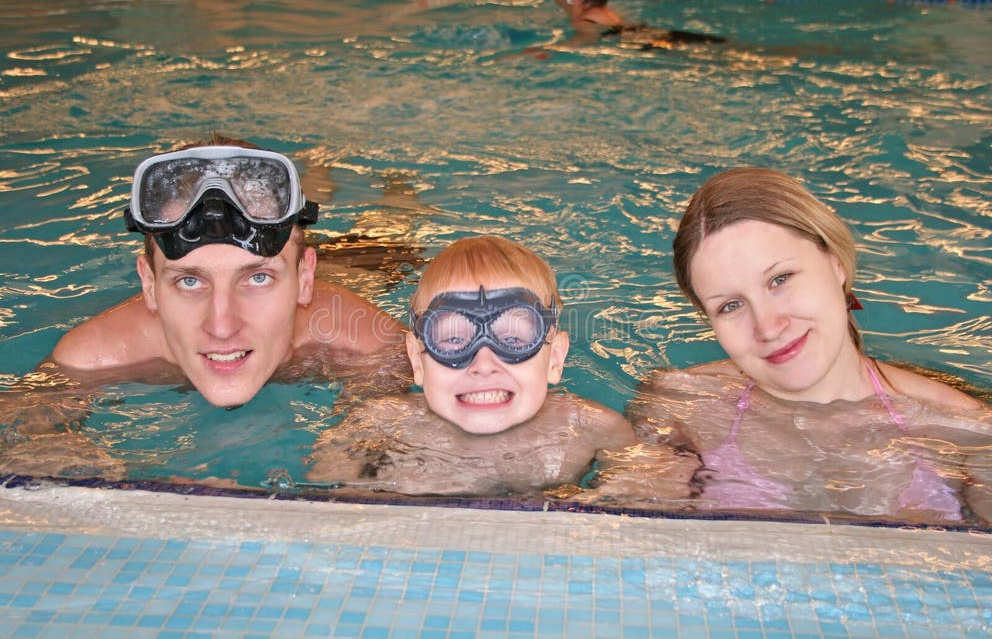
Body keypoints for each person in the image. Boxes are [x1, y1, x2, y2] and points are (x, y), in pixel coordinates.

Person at [1, 137, 411, 479]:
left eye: (257, 278)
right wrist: (48, 450)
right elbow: (21, 426)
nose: (222, 326)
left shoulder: (360, 337)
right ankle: (318, 172)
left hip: (354, 278)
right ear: (150, 286)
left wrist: (364, 439)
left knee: (392, 237)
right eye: (190, 280)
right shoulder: (92, 356)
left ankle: (397, 188)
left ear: (305, 280)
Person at [627, 167, 991, 524]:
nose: (768, 327)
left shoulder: (963, 432)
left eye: (780, 279)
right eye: (730, 306)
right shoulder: (683, 406)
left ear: (836, 263)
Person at [306, 235, 693, 499]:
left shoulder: (590, 428)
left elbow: (654, 497)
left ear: (554, 359)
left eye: (513, 339)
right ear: (417, 360)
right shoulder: (380, 425)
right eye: (453, 339)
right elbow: (318, 505)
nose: (483, 363)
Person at [553, 0, 726, 48]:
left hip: (658, 47)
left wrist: (548, 49)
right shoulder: (608, 14)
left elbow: (583, 43)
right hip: (664, 38)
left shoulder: (584, 22)